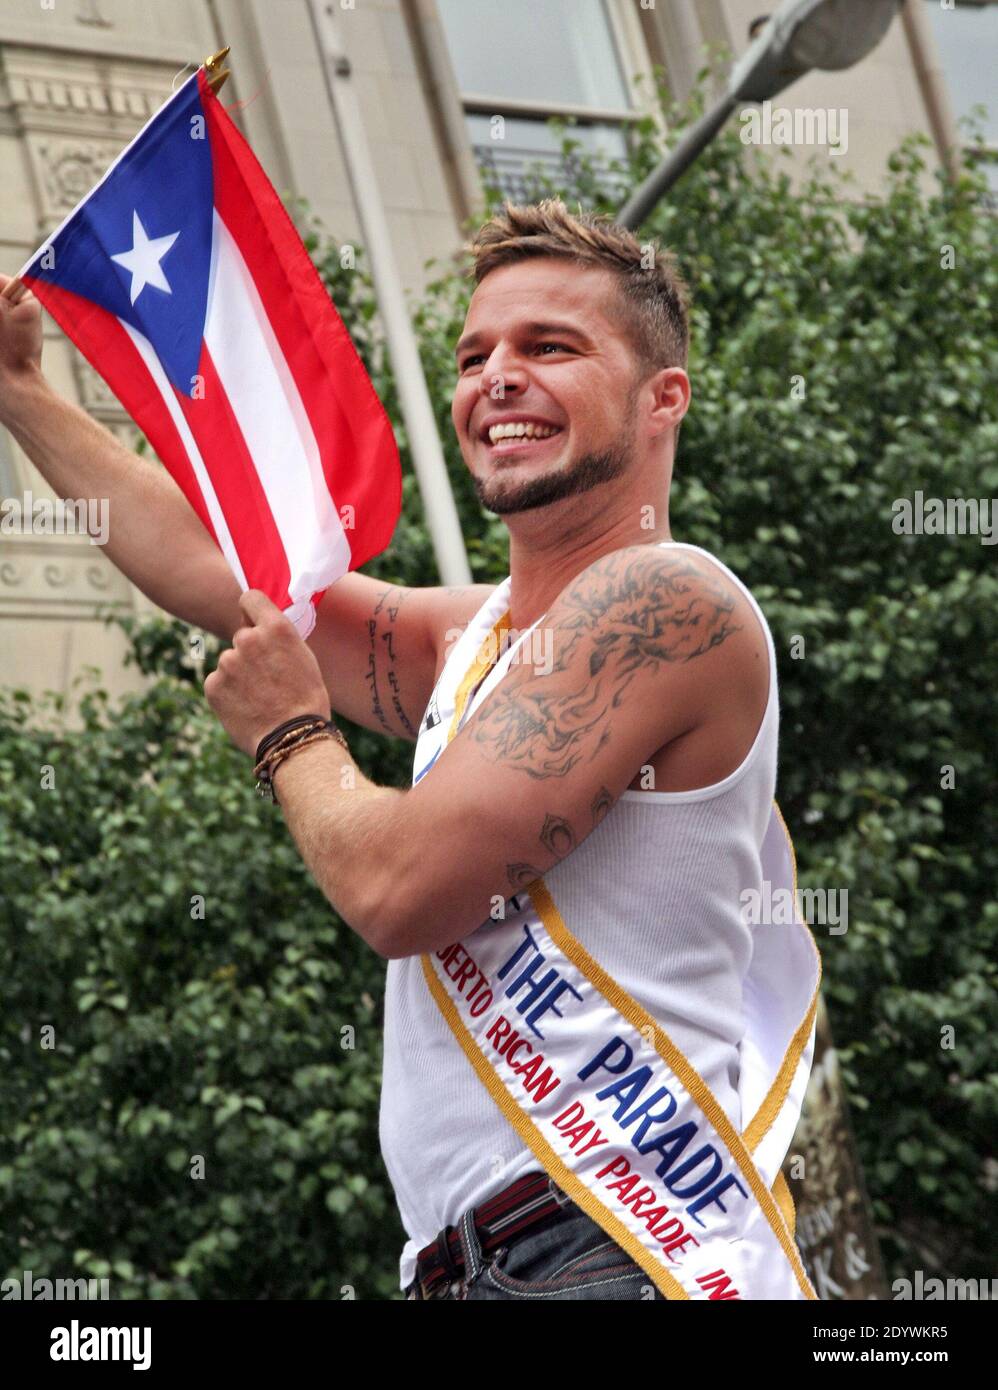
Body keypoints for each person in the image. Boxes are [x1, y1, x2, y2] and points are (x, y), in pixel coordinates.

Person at [0, 198, 815, 1301]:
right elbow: (217, 570)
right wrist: (23, 394)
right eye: (475, 354)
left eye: (550, 347)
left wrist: (292, 733)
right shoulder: (472, 641)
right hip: (488, 1259)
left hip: (604, 1245)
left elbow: (397, 890)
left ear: (662, 395)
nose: (496, 377)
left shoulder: (666, 599)